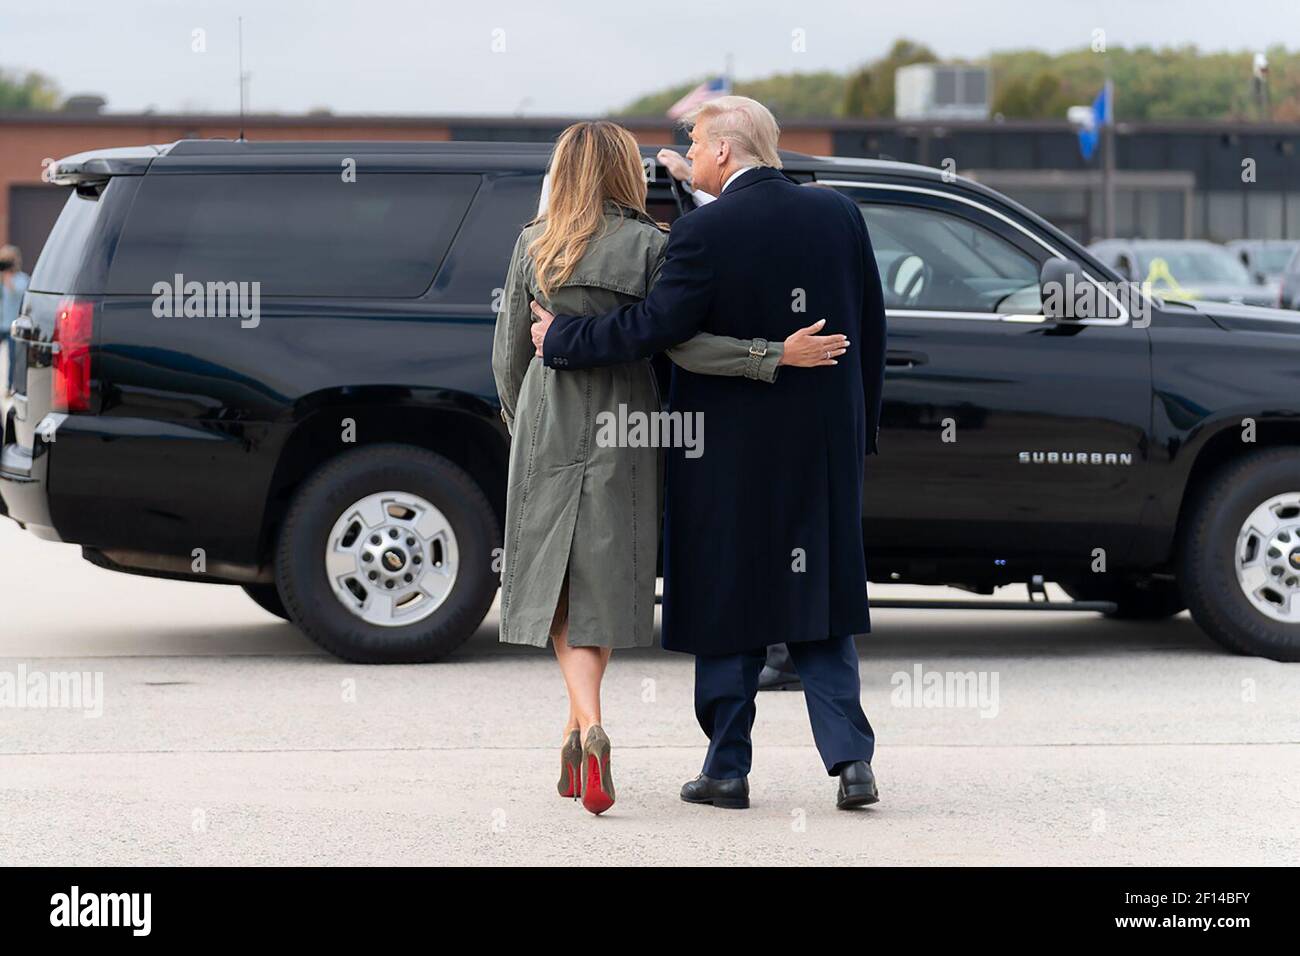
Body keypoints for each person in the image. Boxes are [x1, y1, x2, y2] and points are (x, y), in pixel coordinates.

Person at [531, 96, 887, 811]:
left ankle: (727, 770)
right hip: (822, 445)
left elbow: (654, 330)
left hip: (723, 446)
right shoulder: (840, 215)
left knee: (730, 598)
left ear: (724, 152)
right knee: (818, 597)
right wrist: (859, 433)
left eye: (694, 146)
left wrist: (560, 341)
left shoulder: (701, 233)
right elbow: (871, 332)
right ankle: (851, 762)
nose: (689, 157)